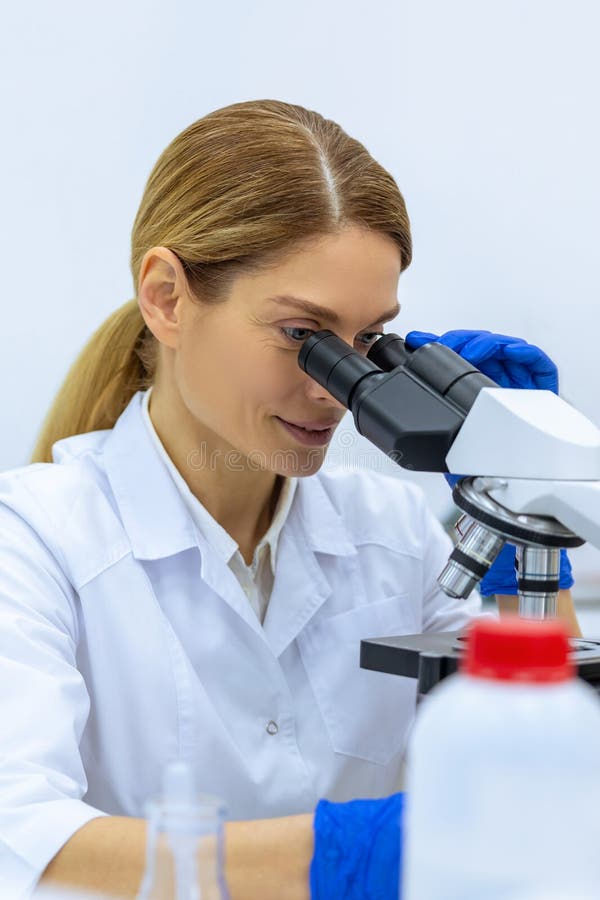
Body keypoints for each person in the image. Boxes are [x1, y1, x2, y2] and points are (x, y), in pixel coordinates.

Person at [0, 100, 578, 900]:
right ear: (167, 298)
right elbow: (23, 840)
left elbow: (542, 777)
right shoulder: (34, 541)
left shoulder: (393, 532)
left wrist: (522, 505)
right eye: (302, 336)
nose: (335, 389)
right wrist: (335, 855)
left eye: (367, 343)